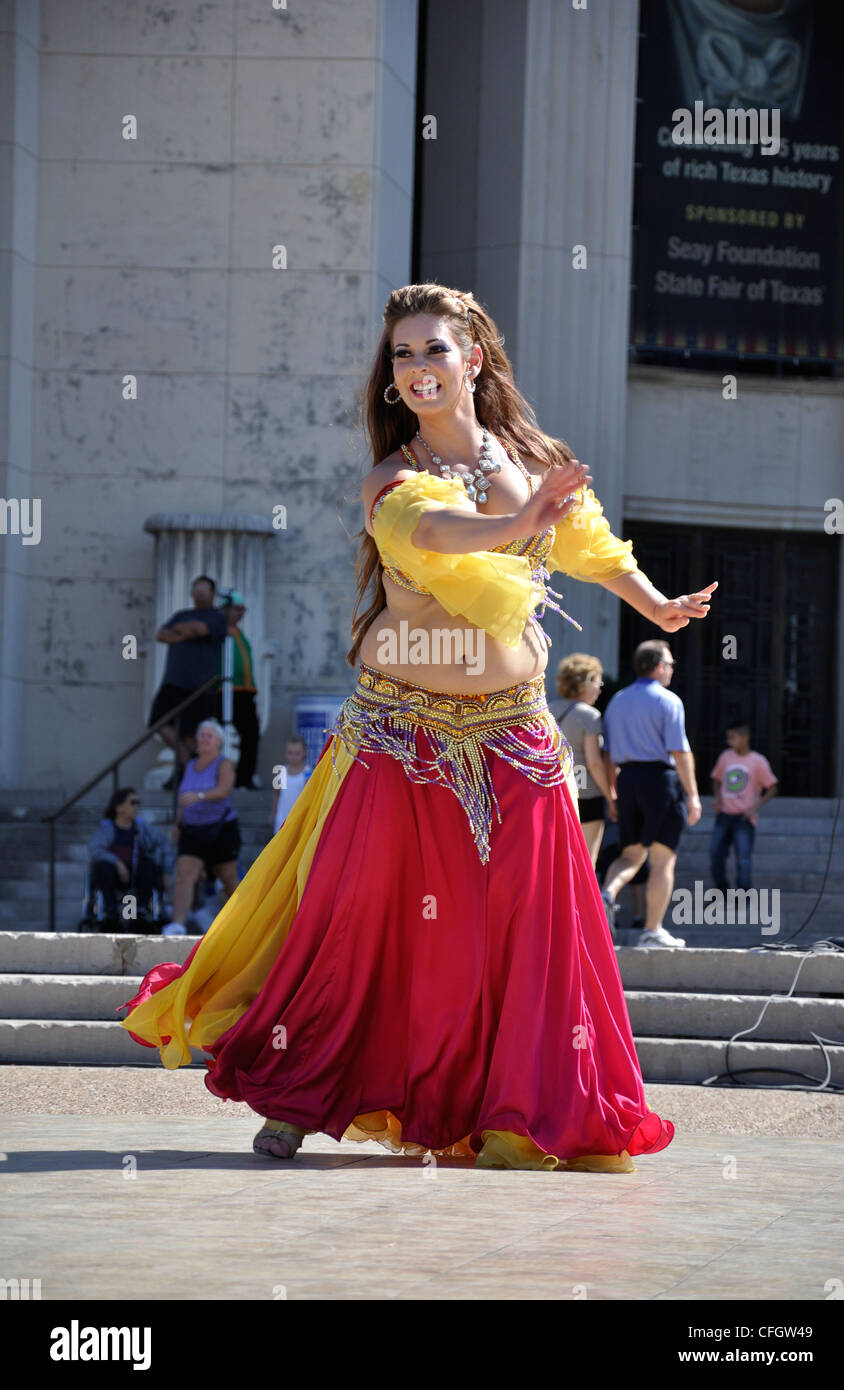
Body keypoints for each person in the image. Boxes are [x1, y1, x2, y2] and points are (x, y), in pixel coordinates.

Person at [121, 282, 716, 1171]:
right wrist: (519, 520)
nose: (415, 367)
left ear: (471, 358)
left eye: (432, 348)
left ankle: (525, 1107)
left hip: (515, 733)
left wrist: (654, 603)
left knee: (529, 925)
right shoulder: (392, 479)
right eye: (401, 354)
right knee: (358, 919)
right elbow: (430, 536)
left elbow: (589, 545)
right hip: (399, 732)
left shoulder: (533, 459)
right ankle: (300, 1093)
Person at [600, 640, 700, 948]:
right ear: (658, 667)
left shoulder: (617, 700)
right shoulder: (669, 701)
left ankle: (606, 894)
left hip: (627, 781)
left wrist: (612, 795)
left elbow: (608, 755)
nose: (671, 670)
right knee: (662, 859)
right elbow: (679, 751)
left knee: (629, 855)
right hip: (660, 782)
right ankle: (652, 930)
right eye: (669, 664)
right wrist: (693, 795)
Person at [160, 719, 241, 937]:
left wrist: (200, 796)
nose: (205, 739)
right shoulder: (190, 765)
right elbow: (184, 798)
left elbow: (223, 790)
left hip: (220, 828)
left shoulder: (224, 764)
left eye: (209, 736)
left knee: (228, 878)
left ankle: (244, 921)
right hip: (192, 829)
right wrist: (178, 823)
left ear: (219, 741)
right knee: (185, 874)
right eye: (202, 735)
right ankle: (178, 924)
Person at [148, 576, 228, 775]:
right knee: (158, 722)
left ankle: (188, 771)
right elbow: (162, 635)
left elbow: (202, 629)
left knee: (190, 733)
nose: (199, 593)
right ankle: (186, 762)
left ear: (212, 593)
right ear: (191, 592)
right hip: (172, 680)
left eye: (204, 589)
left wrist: (180, 632)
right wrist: (188, 632)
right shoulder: (181, 615)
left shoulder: (217, 617)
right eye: (196, 589)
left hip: (198, 685)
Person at [552, 653, 616, 866]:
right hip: (586, 793)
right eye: (598, 682)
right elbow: (595, 764)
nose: (600, 689)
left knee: (559, 862)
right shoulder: (589, 715)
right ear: (586, 683)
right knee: (586, 862)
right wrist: (610, 797)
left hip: (556, 792)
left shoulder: (548, 709)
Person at [87, 788, 171, 932]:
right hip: (114, 874)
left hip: (137, 874)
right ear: (119, 807)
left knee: (149, 865)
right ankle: (111, 914)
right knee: (103, 866)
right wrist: (117, 863)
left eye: (138, 803)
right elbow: (95, 850)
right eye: (132, 802)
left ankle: (140, 914)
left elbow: (164, 844)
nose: (136, 806)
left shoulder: (142, 827)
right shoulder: (107, 828)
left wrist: (167, 871)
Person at [710, 722, 779, 891]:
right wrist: (718, 799)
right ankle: (722, 891)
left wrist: (755, 808)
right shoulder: (725, 757)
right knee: (715, 854)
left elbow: (772, 787)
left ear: (745, 737)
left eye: (733, 737)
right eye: (728, 737)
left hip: (744, 818)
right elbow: (717, 779)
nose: (729, 741)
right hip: (724, 815)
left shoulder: (758, 761)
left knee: (743, 860)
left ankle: (743, 896)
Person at [218, 590, 260, 789]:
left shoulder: (238, 633)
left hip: (244, 692)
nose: (241, 613)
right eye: (237, 609)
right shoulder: (218, 631)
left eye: (243, 609)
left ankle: (244, 778)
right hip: (224, 691)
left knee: (251, 734)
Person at [271, 736, 312, 836]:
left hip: (299, 822)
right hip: (281, 821)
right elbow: (276, 794)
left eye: (297, 753)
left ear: (304, 753)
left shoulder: (308, 773)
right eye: (290, 753)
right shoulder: (280, 772)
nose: (293, 756)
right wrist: (273, 814)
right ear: (285, 753)